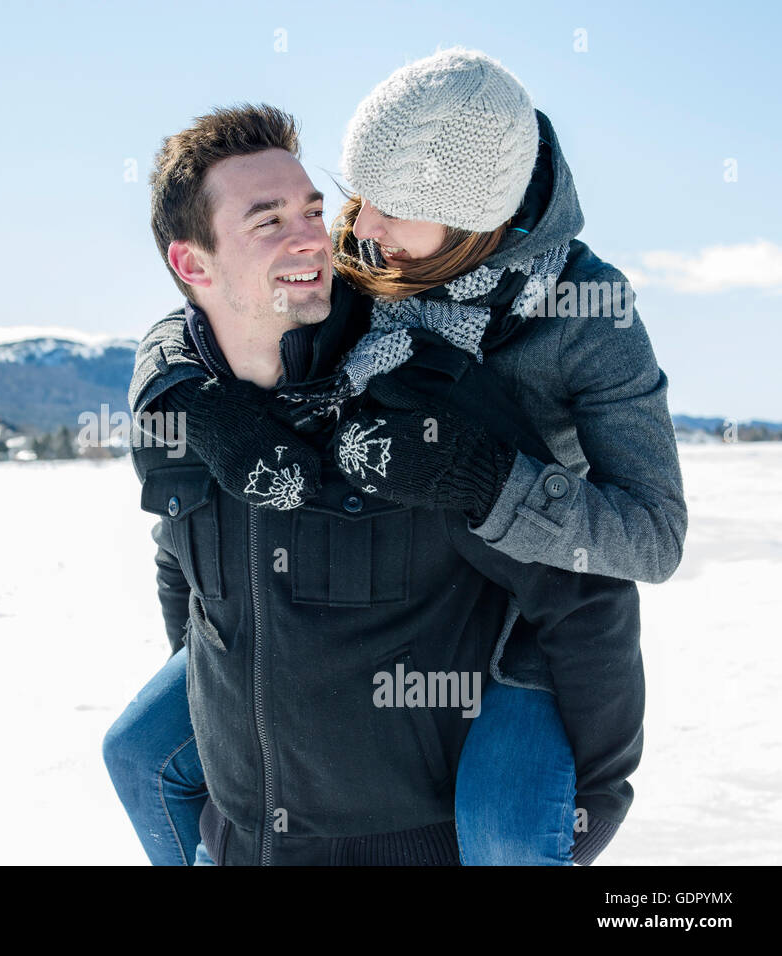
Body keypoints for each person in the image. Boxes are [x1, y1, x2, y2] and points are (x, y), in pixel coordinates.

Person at [107, 48, 683, 865]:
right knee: (139, 755)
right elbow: (220, 300)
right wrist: (182, 392)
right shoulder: (369, 250)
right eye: (355, 197)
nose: (358, 232)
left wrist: (486, 480)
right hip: (382, 573)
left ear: (470, 223)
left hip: (523, 595)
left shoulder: (586, 317)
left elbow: (653, 535)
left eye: (394, 210)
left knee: (507, 837)